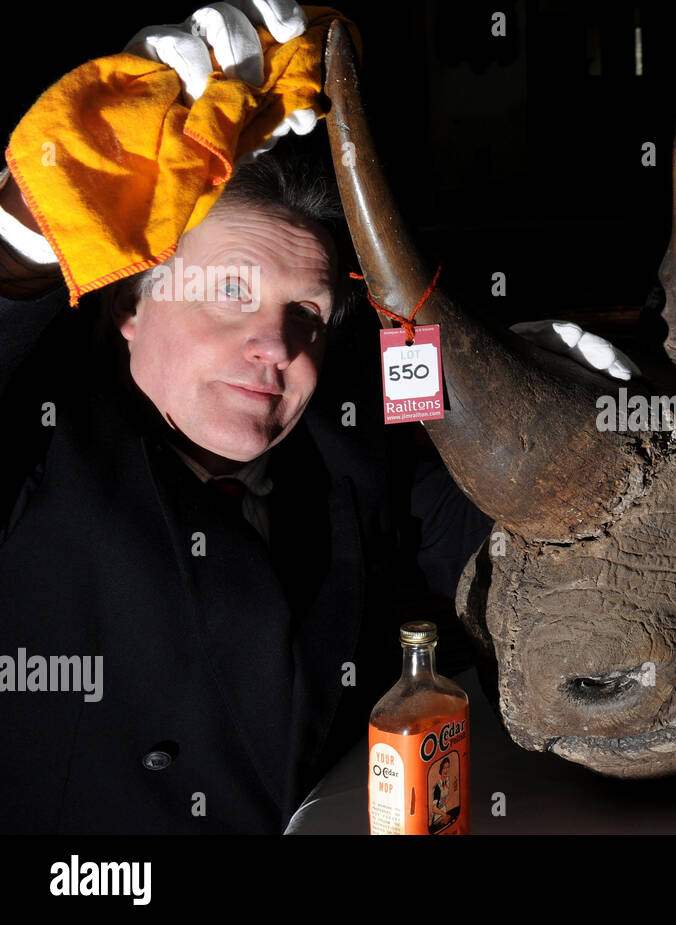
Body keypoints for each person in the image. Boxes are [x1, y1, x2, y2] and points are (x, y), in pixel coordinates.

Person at [0, 44, 493, 832]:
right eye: (231, 290)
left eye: (307, 313)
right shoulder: (42, 456)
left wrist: (553, 406)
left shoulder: (351, 452)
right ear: (130, 309)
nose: (277, 345)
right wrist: (22, 237)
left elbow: (499, 550)